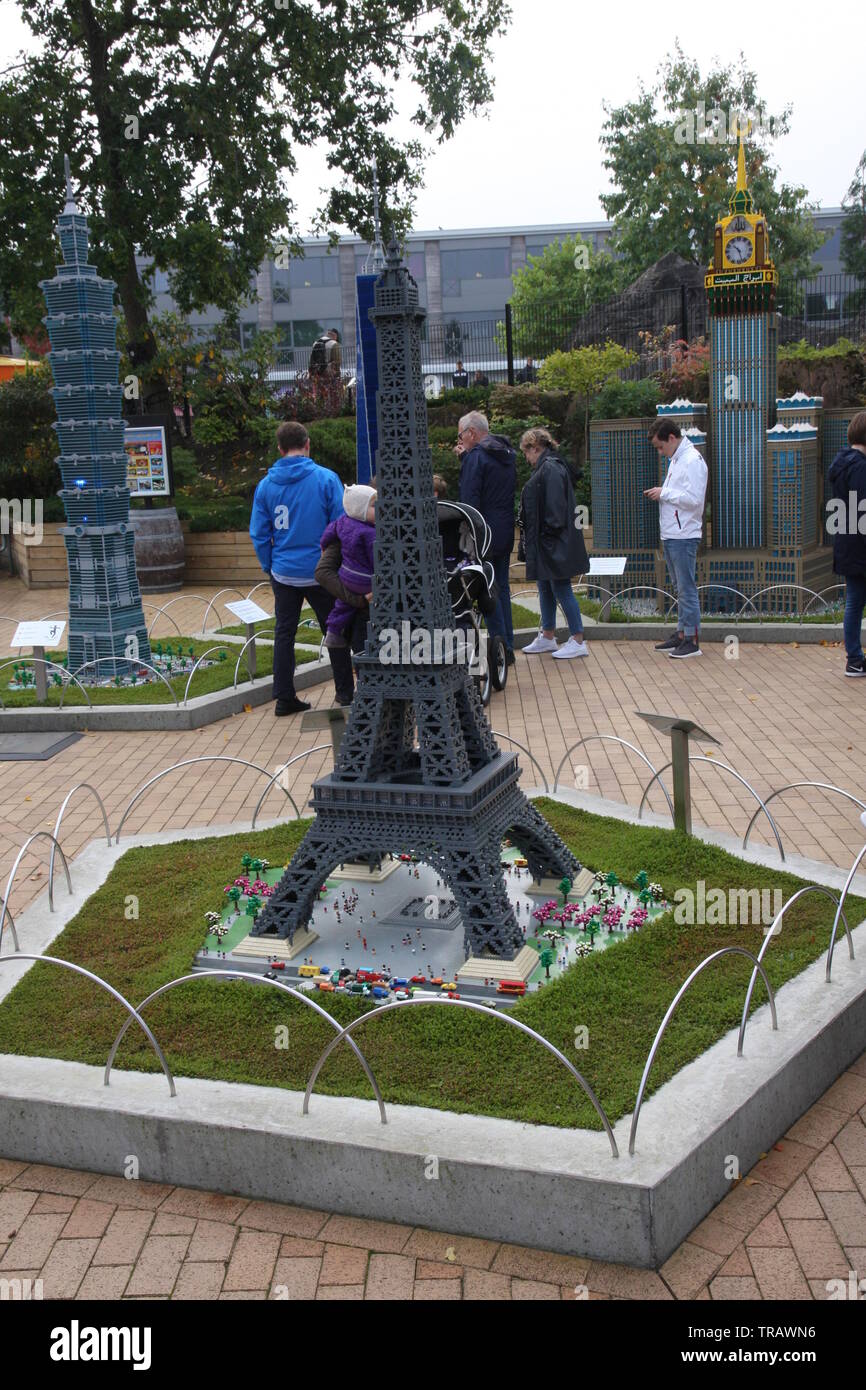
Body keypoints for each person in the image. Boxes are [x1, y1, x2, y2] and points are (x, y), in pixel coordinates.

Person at [249, 421, 354, 713]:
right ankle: (345, 693)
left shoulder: (266, 486)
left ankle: (283, 697)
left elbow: (258, 532)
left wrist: (269, 565)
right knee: (335, 630)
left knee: (284, 633)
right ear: (308, 444)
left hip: (283, 571)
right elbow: (340, 525)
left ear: (280, 449)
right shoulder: (325, 479)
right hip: (321, 570)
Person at [518, 427, 589, 659]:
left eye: (526, 453)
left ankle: (577, 639)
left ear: (535, 448)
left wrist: (547, 534)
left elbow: (555, 509)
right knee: (546, 587)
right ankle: (548, 636)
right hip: (551, 540)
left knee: (560, 587)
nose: (526, 459)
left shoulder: (550, 468)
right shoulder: (551, 466)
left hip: (553, 540)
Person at [645, 417, 708, 659]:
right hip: (673, 534)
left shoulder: (692, 460)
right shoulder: (678, 459)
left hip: (684, 535)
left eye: (661, 447)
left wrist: (664, 493)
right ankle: (682, 634)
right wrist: (665, 494)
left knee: (686, 588)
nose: (660, 453)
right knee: (680, 588)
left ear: (672, 438)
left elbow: (694, 499)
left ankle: (692, 640)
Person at [457, 410, 517, 663]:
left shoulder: (476, 458)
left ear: (472, 433)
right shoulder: (507, 454)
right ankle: (508, 644)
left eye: (461, 436)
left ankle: (499, 649)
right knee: (501, 587)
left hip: (484, 533)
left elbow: (470, 501)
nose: (460, 441)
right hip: (504, 529)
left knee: (487, 591)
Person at [827, 410, 866, 676]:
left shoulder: (840, 465)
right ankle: (854, 657)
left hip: (847, 541)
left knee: (854, 601)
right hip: (862, 544)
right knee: (854, 601)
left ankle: (854, 658)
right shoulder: (861, 468)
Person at [320, 485, 376, 648]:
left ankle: (333, 630)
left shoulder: (342, 521)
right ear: (361, 510)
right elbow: (377, 558)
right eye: (374, 506)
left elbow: (328, 532)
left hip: (346, 576)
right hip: (365, 579)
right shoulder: (371, 533)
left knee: (343, 606)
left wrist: (324, 546)